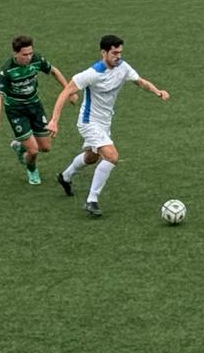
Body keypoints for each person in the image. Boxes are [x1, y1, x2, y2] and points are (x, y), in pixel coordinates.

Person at [48, 34, 170, 218]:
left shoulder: (123, 67)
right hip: (89, 122)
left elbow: (140, 82)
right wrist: (54, 120)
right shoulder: (91, 74)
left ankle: (65, 176)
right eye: (114, 53)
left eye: (120, 52)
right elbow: (66, 92)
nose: (118, 56)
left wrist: (157, 91)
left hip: (105, 123)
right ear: (103, 52)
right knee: (112, 156)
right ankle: (92, 200)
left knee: (91, 158)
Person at [0, 35, 75, 186]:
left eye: (30, 53)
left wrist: (69, 90)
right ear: (15, 53)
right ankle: (32, 169)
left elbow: (54, 71)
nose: (29, 57)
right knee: (34, 151)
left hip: (35, 106)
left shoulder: (37, 59)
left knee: (46, 147)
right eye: (25, 54)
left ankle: (19, 145)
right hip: (16, 110)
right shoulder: (7, 70)